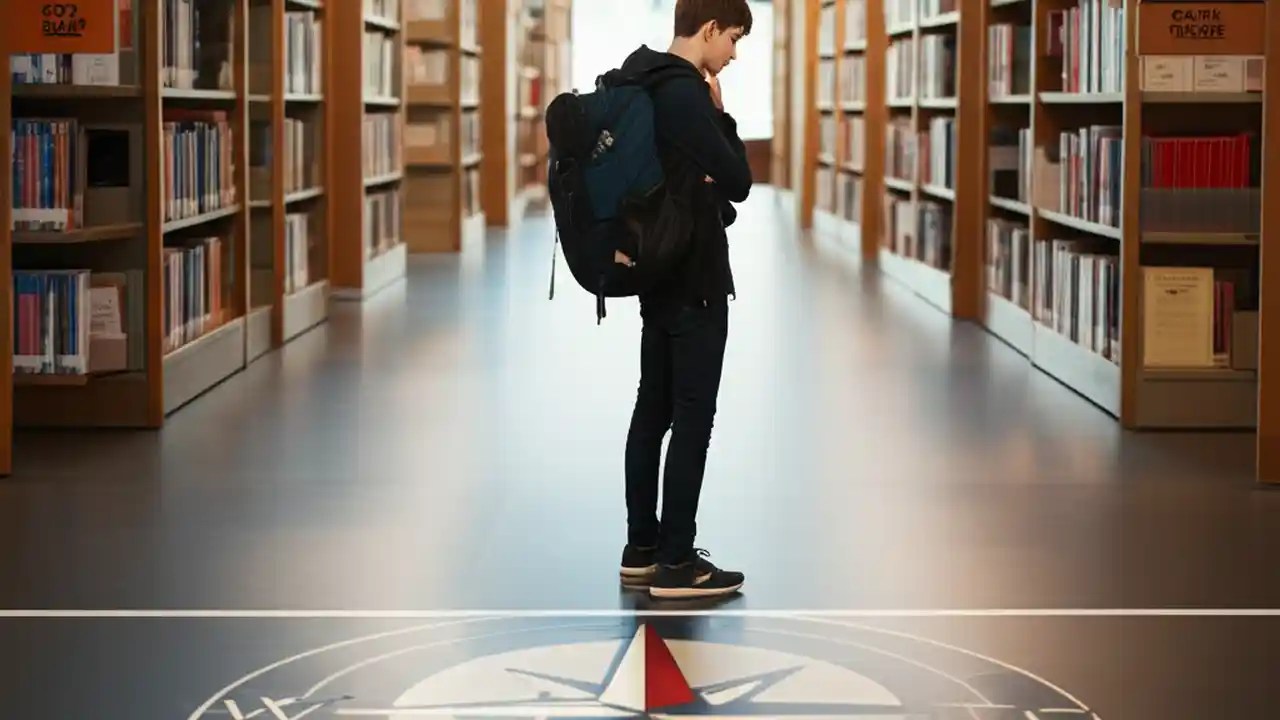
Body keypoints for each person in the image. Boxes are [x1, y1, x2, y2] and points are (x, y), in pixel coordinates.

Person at [615, 0, 754, 600]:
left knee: (652, 408)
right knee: (694, 414)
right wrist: (722, 117)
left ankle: (641, 549)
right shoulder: (686, 93)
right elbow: (739, 182)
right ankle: (677, 561)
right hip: (695, 277)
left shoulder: (639, 77)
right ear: (710, 29)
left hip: (656, 272)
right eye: (734, 39)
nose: (734, 54)